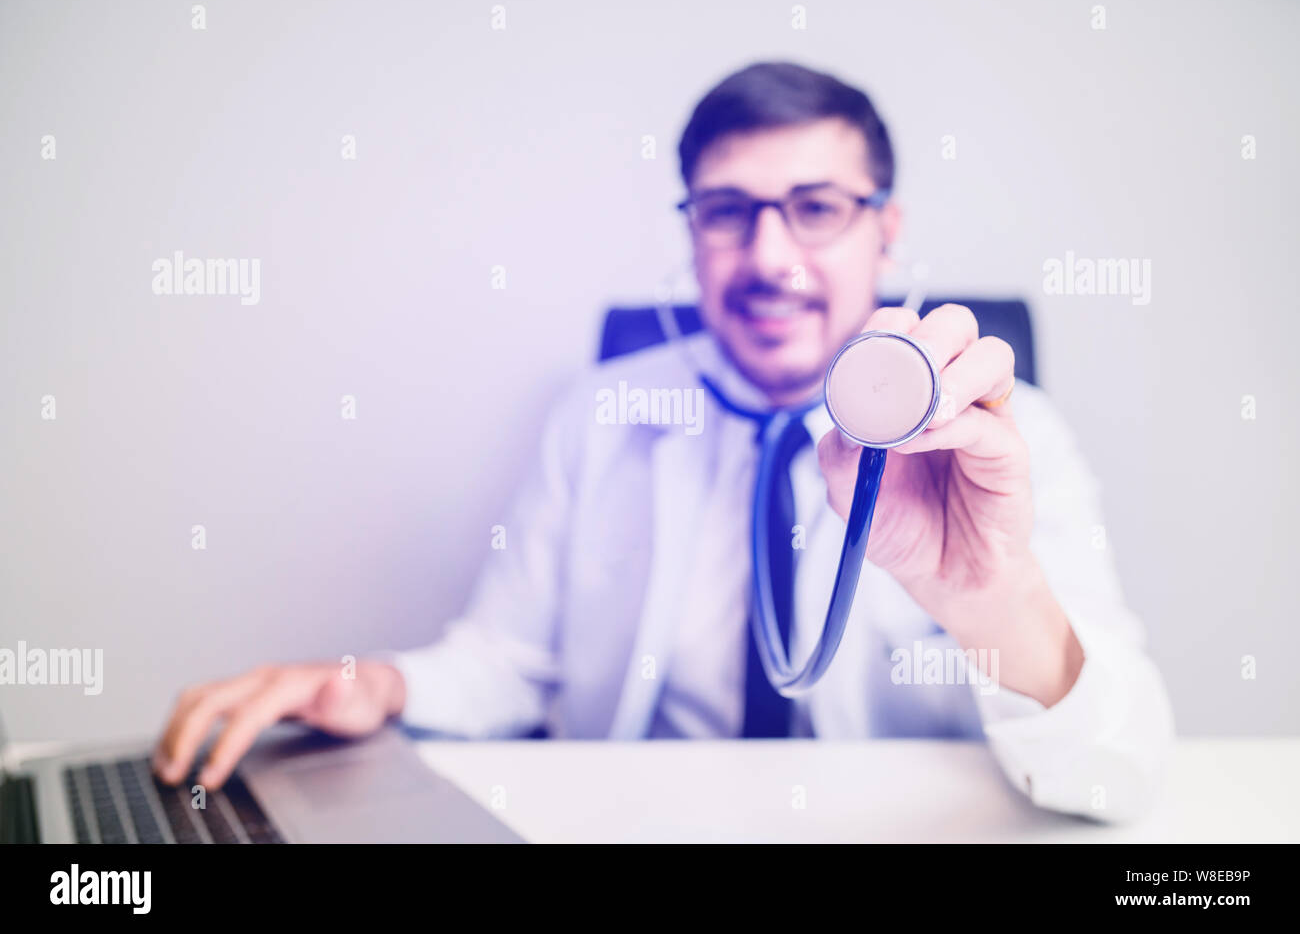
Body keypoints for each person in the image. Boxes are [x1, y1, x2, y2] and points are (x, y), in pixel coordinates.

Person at [152, 61, 1174, 823]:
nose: (769, 258)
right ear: (690, 230)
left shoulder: (1008, 435)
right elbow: (508, 666)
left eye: (816, 209)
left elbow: (1116, 774)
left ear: (886, 228)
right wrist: (376, 684)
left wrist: (995, 601)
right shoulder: (600, 413)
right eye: (729, 212)